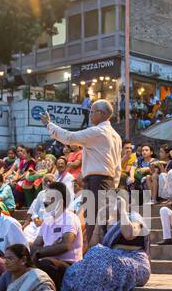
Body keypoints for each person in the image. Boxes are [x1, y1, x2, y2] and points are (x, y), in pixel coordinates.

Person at [42, 100, 121, 250]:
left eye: (92, 111)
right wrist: (113, 185)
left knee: (94, 221)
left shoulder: (98, 131)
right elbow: (118, 166)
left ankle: (96, 257)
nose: (89, 114)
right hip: (107, 181)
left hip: (97, 181)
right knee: (100, 220)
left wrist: (49, 124)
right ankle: (99, 255)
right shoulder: (115, 135)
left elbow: (69, 137)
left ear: (102, 114)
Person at [60, 196, 151, 291]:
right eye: (107, 202)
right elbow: (93, 247)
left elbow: (129, 234)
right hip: (110, 260)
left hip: (134, 261)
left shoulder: (133, 217)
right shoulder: (107, 222)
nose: (109, 205)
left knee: (99, 255)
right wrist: (99, 222)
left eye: (113, 201)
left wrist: (122, 210)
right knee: (74, 270)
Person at [29, 181, 82, 290]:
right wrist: (50, 248)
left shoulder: (69, 218)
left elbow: (65, 245)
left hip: (69, 265)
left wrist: (41, 252)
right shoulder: (47, 221)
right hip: (48, 260)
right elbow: (35, 245)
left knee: (45, 263)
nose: (45, 201)